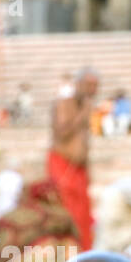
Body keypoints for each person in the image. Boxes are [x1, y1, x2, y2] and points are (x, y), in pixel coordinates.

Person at [48, 68, 99, 249]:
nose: (94, 90)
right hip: (62, 164)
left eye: (95, 86)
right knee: (68, 214)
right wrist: (81, 117)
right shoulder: (64, 103)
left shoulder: (87, 104)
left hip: (79, 168)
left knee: (84, 217)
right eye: (90, 85)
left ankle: (84, 253)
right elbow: (62, 132)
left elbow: (84, 141)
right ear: (79, 84)